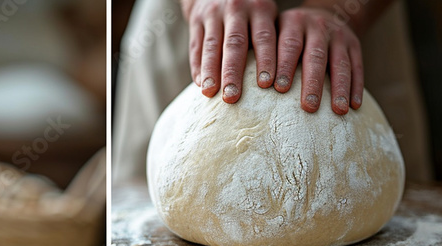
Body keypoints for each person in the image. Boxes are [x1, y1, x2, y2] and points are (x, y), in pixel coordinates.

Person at [112, 0, 431, 186]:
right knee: (146, 202)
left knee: (388, 197)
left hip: (353, 23)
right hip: (194, 18)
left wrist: (337, 9)